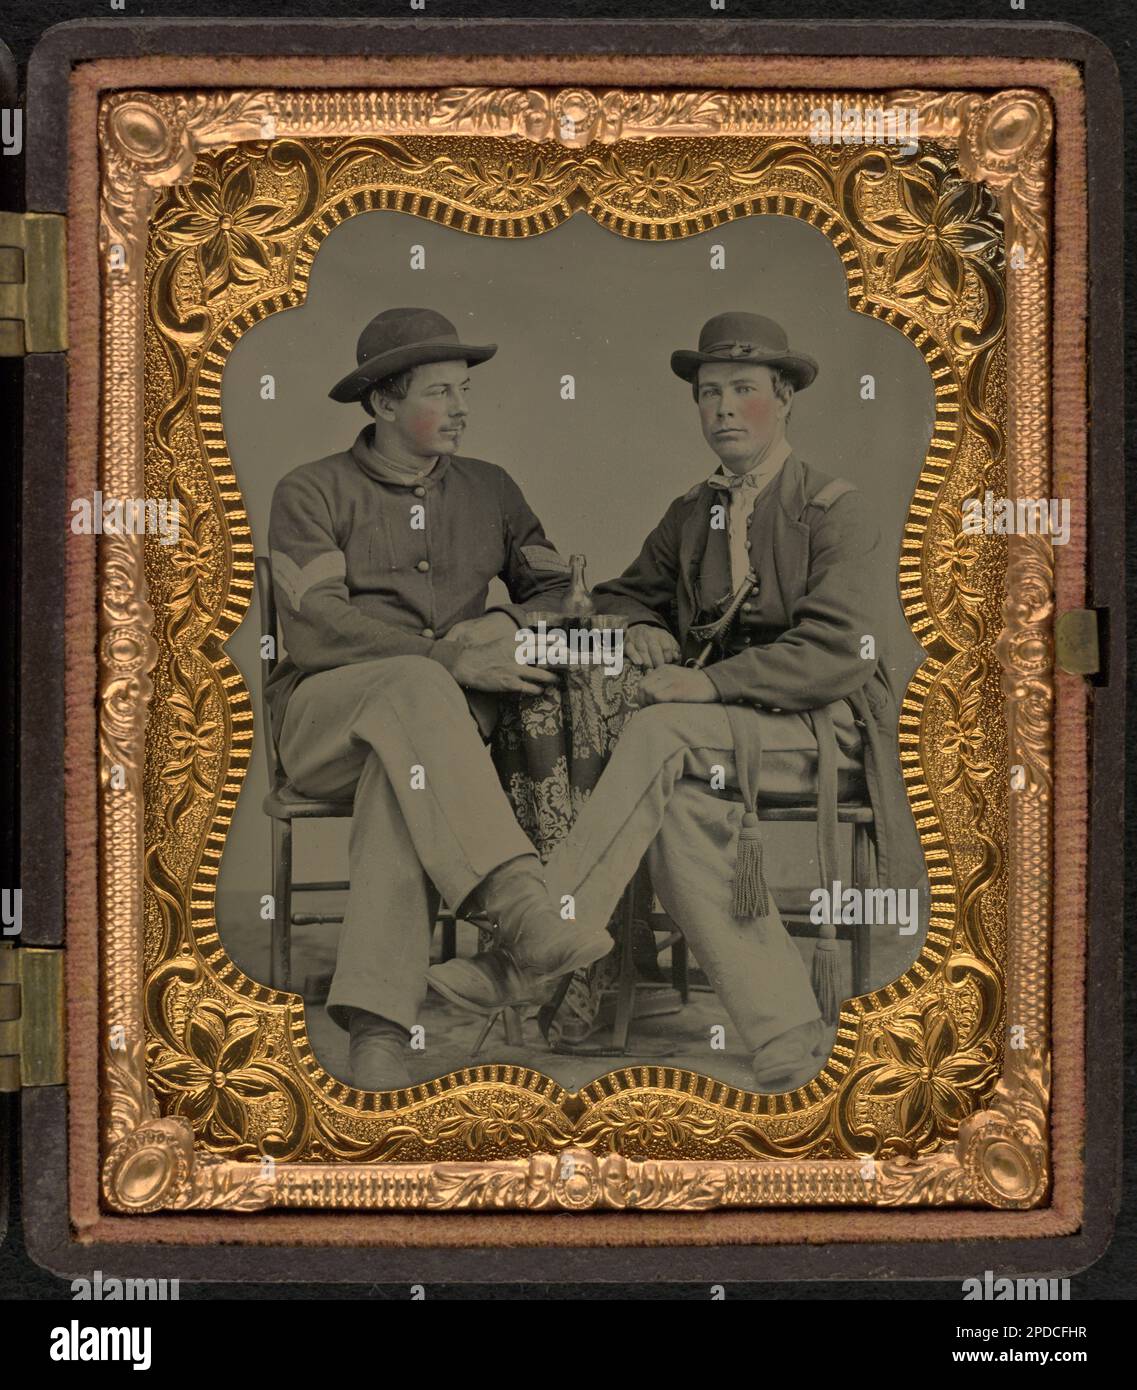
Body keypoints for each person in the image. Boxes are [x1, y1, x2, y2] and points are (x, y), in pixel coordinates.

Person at [427, 311, 928, 1091]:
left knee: (660, 733)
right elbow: (625, 593)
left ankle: (527, 952)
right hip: (721, 736)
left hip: (821, 730)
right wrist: (642, 627)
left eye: (742, 390)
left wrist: (710, 681)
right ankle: (785, 1029)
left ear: (784, 398)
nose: (722, 409)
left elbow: (840, 650)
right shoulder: (695, 512)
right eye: (707, 394)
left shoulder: (835, 509)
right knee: (680, 813)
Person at [266, 307, 612, 1091]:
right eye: (439, 393)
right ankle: (519, 909)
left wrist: (503, 623)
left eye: (465, 392)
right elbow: (315, 626)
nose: (460, 410)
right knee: (415, 687)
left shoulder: (491, 488)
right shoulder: (311, 490)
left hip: (433, 751)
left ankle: (378, 1031)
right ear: (382, 403)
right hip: (324, 722)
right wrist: (443, 657)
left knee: (401, 779)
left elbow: (557, 591)